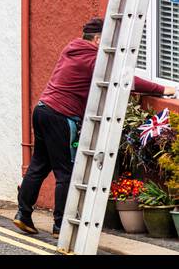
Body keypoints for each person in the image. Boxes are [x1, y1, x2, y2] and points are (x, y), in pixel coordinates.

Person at [14, 17, 174, 236]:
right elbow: (123, 79)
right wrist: (161, 89)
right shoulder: (93, 58)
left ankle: (23, 214)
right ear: (98, 39)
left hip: (42, 109)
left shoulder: (72, 47)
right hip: (61, 117)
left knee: (38, 166)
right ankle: (60, 225)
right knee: (66, 173)